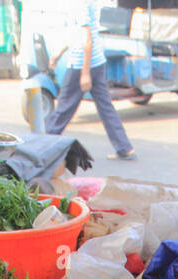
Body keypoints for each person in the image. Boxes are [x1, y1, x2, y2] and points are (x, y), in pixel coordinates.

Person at [46, 1, 136, 160]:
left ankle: (43, 145)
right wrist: (58, 55)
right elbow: (76, 36)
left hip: (82, 64)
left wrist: (85, 73)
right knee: (105, 107)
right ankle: (125, 148)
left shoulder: (80, 4)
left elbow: (87, 41)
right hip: (97, 62)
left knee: (64, 108)